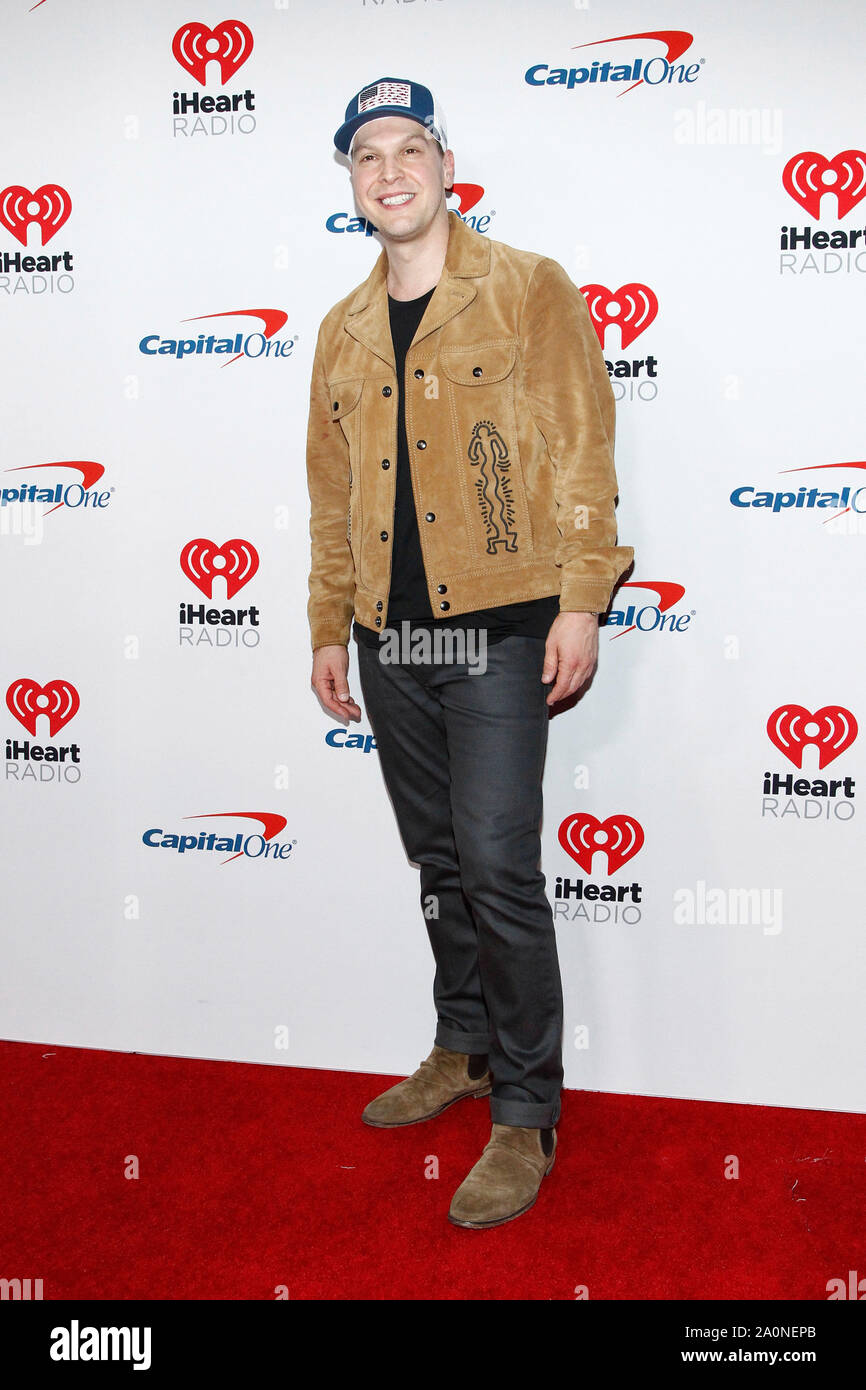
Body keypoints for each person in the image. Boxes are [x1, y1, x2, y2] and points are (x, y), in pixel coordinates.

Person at [305, 77, 633, 1229]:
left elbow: (583, 451)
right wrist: (325, 624)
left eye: (407, 149)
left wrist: (582, 598)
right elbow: (329, 494)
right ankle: (463, 1045)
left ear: (445, 164)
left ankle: (527, 1110)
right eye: (364, 156)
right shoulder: (342, 329)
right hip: (388, 642)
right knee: (439, 861)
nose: (388, 171)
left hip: (499, 628)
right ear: (348, 183)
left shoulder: (526, 287)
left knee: (496, 870)